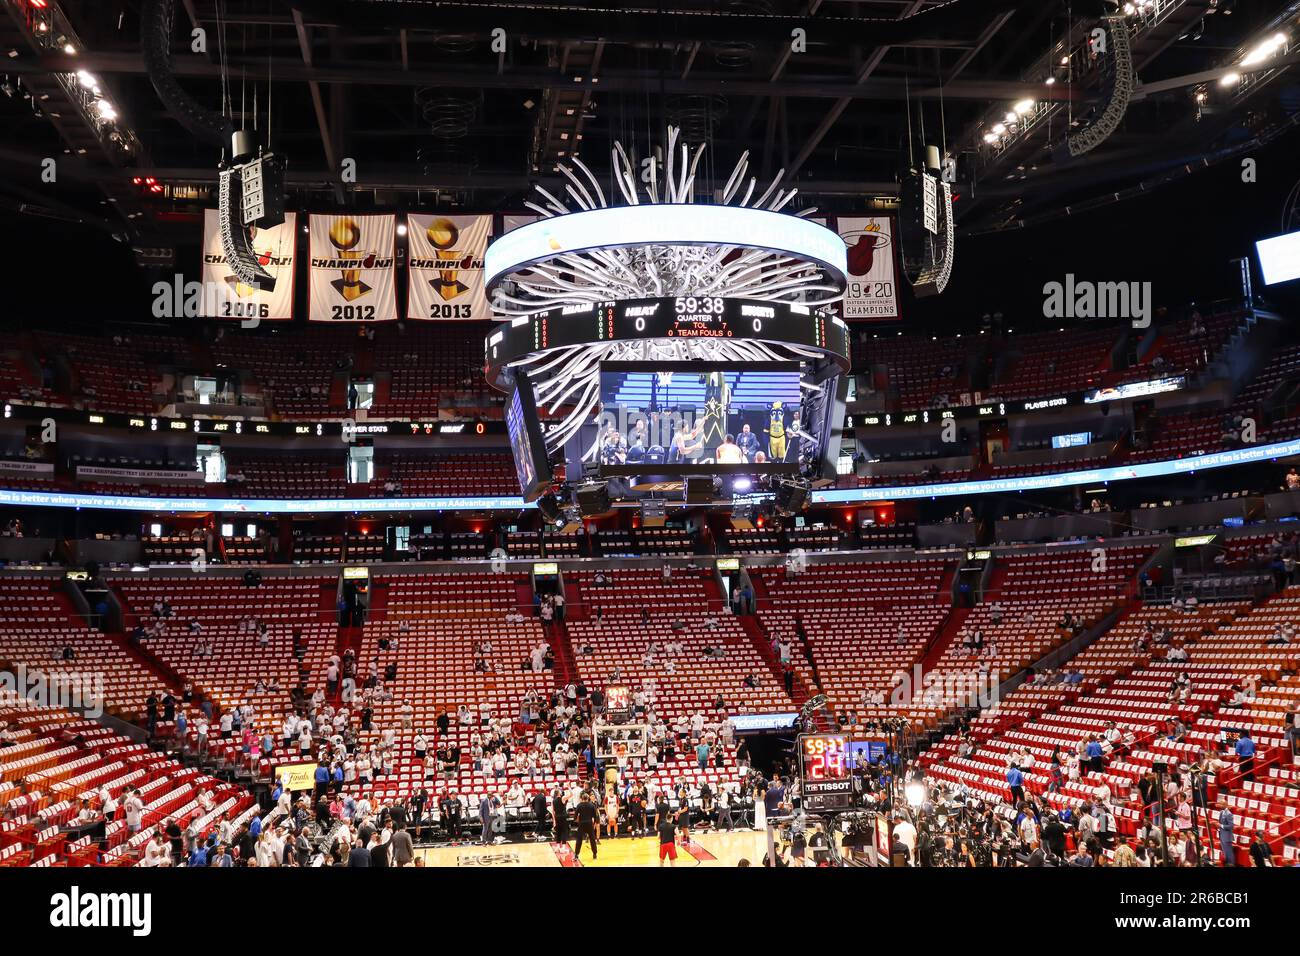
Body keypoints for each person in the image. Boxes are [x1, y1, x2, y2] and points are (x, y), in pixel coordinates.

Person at [573, 792, 600, 861]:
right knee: (592, 840)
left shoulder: (579, 805)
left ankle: (576, 855)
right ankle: (594, 855)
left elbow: (575, 817)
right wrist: (594, 824)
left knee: (579, 840)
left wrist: (577, 820)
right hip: (589, 824)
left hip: (581, 824)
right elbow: (595, 816)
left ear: (582, 798)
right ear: (588, 798)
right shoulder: (591, 805)